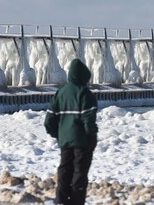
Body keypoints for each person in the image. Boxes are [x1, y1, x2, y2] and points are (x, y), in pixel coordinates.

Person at [45, 58, 98, 205]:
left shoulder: (60, 93)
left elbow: (49, 121)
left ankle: (60, 201)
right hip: (82, 141)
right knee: (79, 173)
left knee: (64, 171)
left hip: (65, 141)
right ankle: (76, 201)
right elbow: (89, 119)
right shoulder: (85, 94)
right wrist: (92, 136)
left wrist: (59, 134)